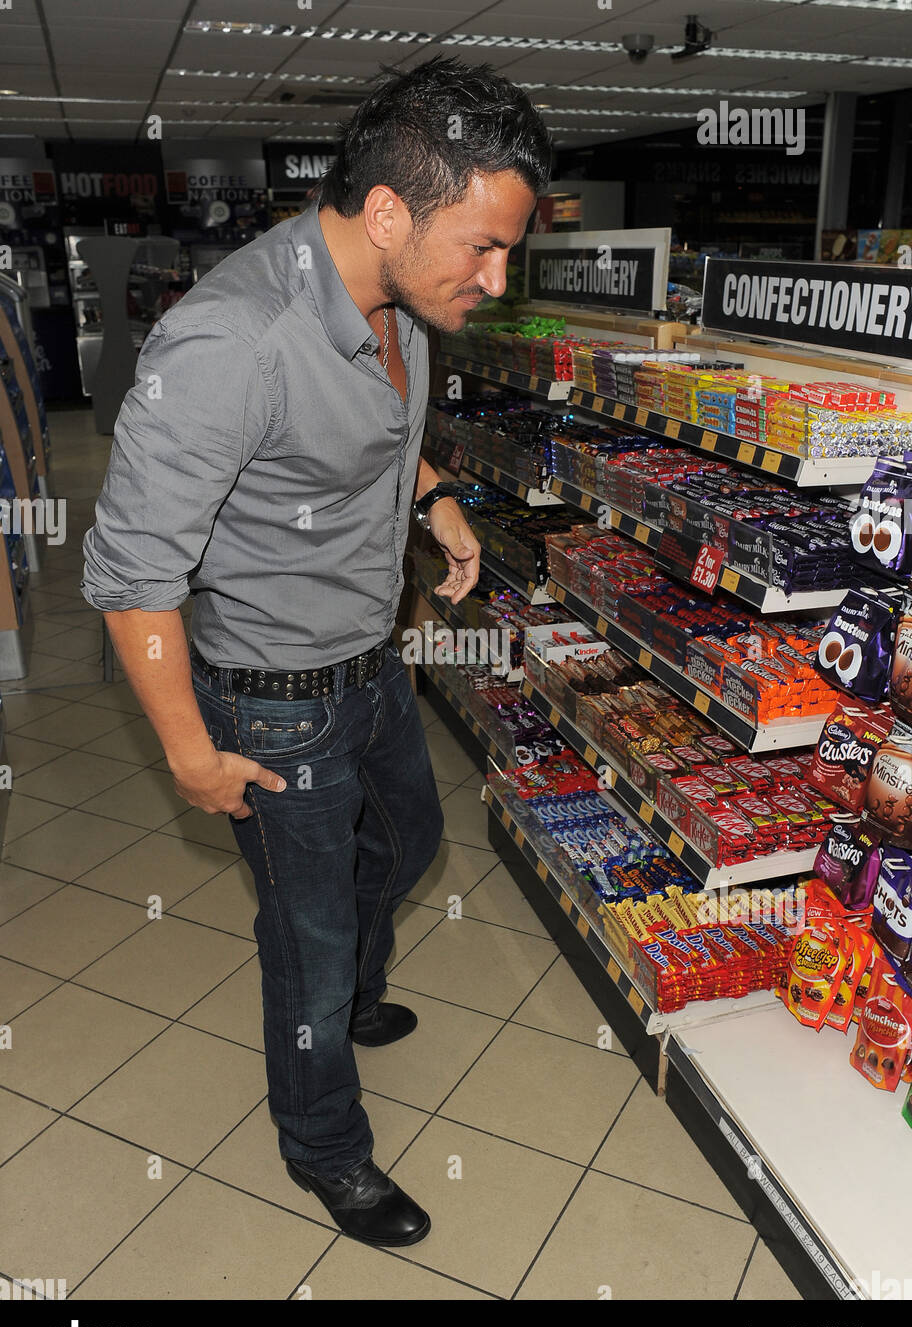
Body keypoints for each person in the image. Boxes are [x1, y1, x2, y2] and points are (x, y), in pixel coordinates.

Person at [81, 56, 551, 1248]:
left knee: (410, 846)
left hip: (374, 668)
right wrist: (191, 755)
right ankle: (327, 1150)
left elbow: (374, 445)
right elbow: (132, 573)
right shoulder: (231, 340)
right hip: (270, 706)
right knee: (308, 941)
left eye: (510, 251)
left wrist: (433, 496)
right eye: (483, 247)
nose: (497, 280)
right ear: (389, 211)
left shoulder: (403, 302)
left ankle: (351, 993)